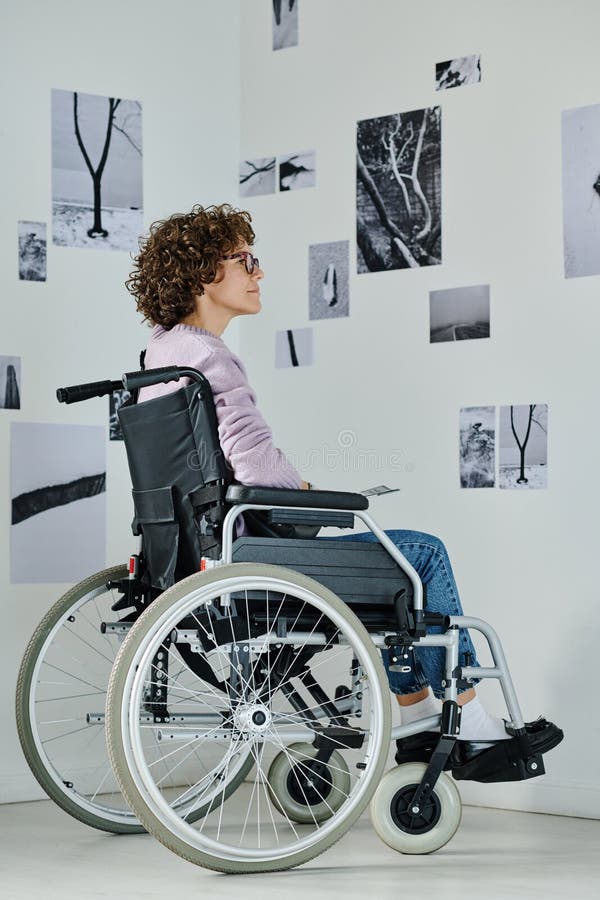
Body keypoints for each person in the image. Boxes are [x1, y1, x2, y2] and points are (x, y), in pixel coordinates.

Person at [125, 203, 530, 758]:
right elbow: (255, 461)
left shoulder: (161, 353)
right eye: (245, 259)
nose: (258, 271)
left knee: (400, 561)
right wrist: (306, 493)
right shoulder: (208, 357)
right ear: (203, 273)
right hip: (250, 554)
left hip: (191, 552)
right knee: (423, 557)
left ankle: (418, 719)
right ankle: (467, 717)